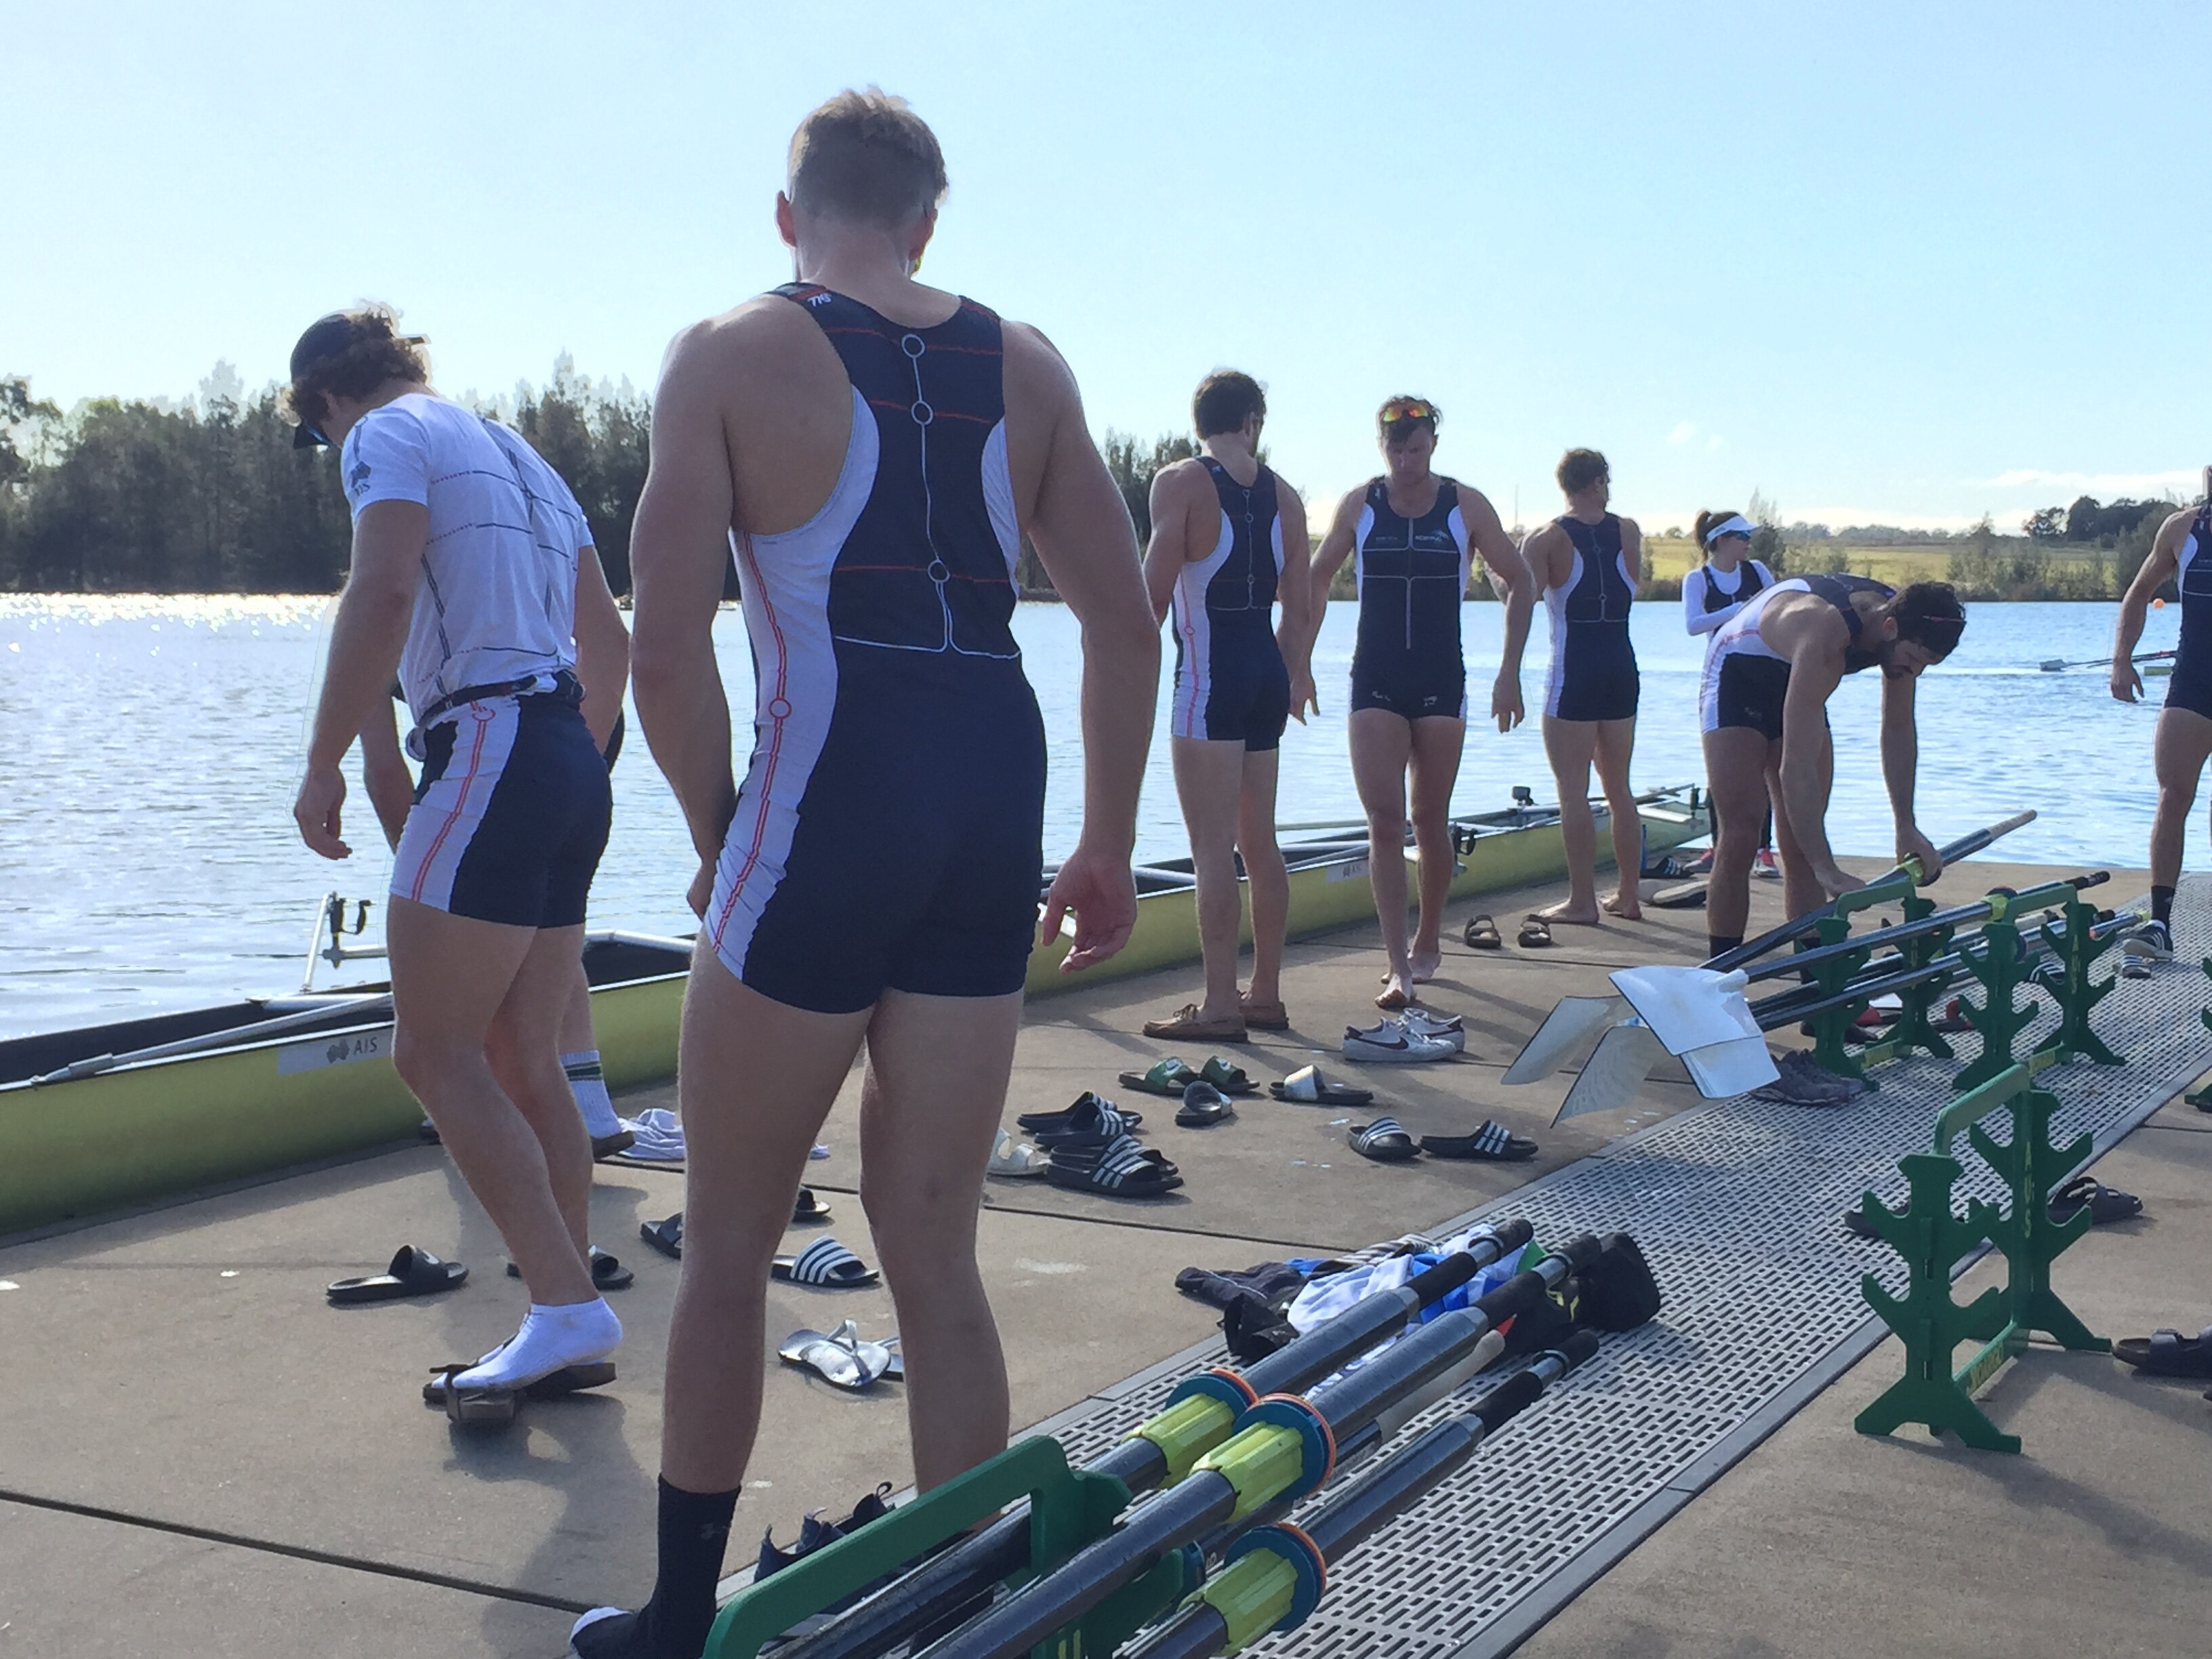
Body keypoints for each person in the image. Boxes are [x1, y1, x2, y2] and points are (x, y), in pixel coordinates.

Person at [574, 91, 1158, 1659]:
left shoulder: (727, 353)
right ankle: (975, 1600)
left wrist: (718, 838)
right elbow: (1123, 616)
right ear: (925, 220)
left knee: (733, 1234)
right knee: (933, 1234)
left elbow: (667, 626)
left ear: (789, 214)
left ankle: (681, 1617)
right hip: (995, 793)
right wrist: (1104, 837)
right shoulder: (1027, 364)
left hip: (832, 792)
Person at [287, 305, 623, 1404]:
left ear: (327, 403)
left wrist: (324, 758)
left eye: (319, 428)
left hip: (488, 743)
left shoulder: (382, 437)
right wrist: (574, 756)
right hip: (569, 754)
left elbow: (380, 592)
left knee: (432, 1055)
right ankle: (564, 1305)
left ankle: (566, 1304)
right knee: (528, 1056)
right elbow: (607, 642)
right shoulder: (520, 453)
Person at [363, 569, 636, 1166]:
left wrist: (430, 896)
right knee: (532, 921)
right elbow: (611, 641)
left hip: (527, 733)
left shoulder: (383, 610)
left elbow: (384, 772)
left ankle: (521, 1099)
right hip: (569, 736)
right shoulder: (443, 583)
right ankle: (583, 1104)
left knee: (502, 922)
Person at [1307, 396, 1533, 1009]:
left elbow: (1522, 582)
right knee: (1383, 822)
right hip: (1375, 676)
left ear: (1433, 444)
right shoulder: (1360, 505)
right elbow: (1317, 576)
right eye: (1395, 451)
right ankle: (1397, 963)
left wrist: (1509, 672)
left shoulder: (1466, 505)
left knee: (1429, 818)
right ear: (1382, 449)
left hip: (1441, 677)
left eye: (1416, 449)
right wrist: (1297, 660)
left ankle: (1430, 939)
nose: (1406, 461)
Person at [1137, 371, 1313, 1042]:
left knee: (1210, 846)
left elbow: (1152, 600)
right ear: (1253, 423)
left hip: (1209, 678)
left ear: (1201, 422)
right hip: (1265, 673)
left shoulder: (1180, 482)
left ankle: (1217, 1003)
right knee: (1258, 841)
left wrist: (1115, 677)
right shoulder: (1288, 498)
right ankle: (1263, 993)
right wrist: (1291, 675)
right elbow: (1298, 612)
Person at [1698, 573, 1966, 958]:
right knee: (1741, 832)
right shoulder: (1826, 631)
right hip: (1738, 674)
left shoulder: (1908, 622)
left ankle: (1817, 1003)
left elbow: (1898, 728)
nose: (1915, 672)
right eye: (1912, 660)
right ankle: (1718, 976)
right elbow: (1796, 765)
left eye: (1926, 666)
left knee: (1800, 842)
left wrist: (1906, 826)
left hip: (1800, 675)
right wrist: (1828, 869)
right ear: (1889, 628)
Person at [1520, 449, 1642, 925]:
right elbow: (1635, 582)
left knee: (1573, 790)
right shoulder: (1627, 531)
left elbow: (1521, 599)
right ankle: (1628, 896)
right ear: (1596, 483)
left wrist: (1498, 570)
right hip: (1621, 666)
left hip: (1575, 670)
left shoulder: (1547, 538)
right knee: (1619, 788)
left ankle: (1583, 902)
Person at [2108, 474, 2212, 960]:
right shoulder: (2180, 530)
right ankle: (2159, 924)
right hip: (2193, 685)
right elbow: (2138, 591)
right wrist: (2121, 659)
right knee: (2173, 797)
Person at [1683, 510, 1780, 880]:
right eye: (1741, 536)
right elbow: (1693, 625)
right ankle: (1718, 845)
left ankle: (1764, 851)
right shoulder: (1698, 579)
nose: (1747, 542)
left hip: (1764, 674)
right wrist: (1737, 610)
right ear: (1721, 540)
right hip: (1723, 678)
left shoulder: (1758, 572)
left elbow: (1776, 607)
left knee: (1767, 769)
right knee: (1720, 770)